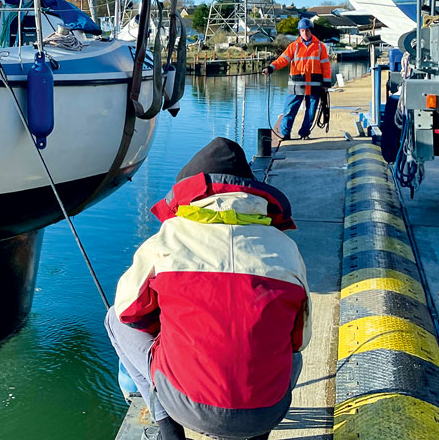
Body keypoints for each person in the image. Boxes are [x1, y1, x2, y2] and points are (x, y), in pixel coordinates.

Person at [106, 138, 309, 440]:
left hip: (185, 406)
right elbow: (299, 341)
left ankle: (167, 427)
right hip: (267, 410)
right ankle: (257, 434)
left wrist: (166, 328)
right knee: (293, 357)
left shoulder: (167, 239)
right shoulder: (286, 249)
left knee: (112, 319)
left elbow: (127, 312)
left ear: (189, 193)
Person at [265, 17, 331, 141]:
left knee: (311, 112)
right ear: (299, 32)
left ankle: (304, 133)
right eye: (302, 31)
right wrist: (271, 68)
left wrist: (326, 83)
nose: (305, 33)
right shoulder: (293, 46)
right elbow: (282, 60)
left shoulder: (320, 47)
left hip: (314, 85)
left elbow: (326, 66)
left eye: (307, 30)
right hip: (296, 84)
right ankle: (285, 134)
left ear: (311, 31)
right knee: (289, 110)